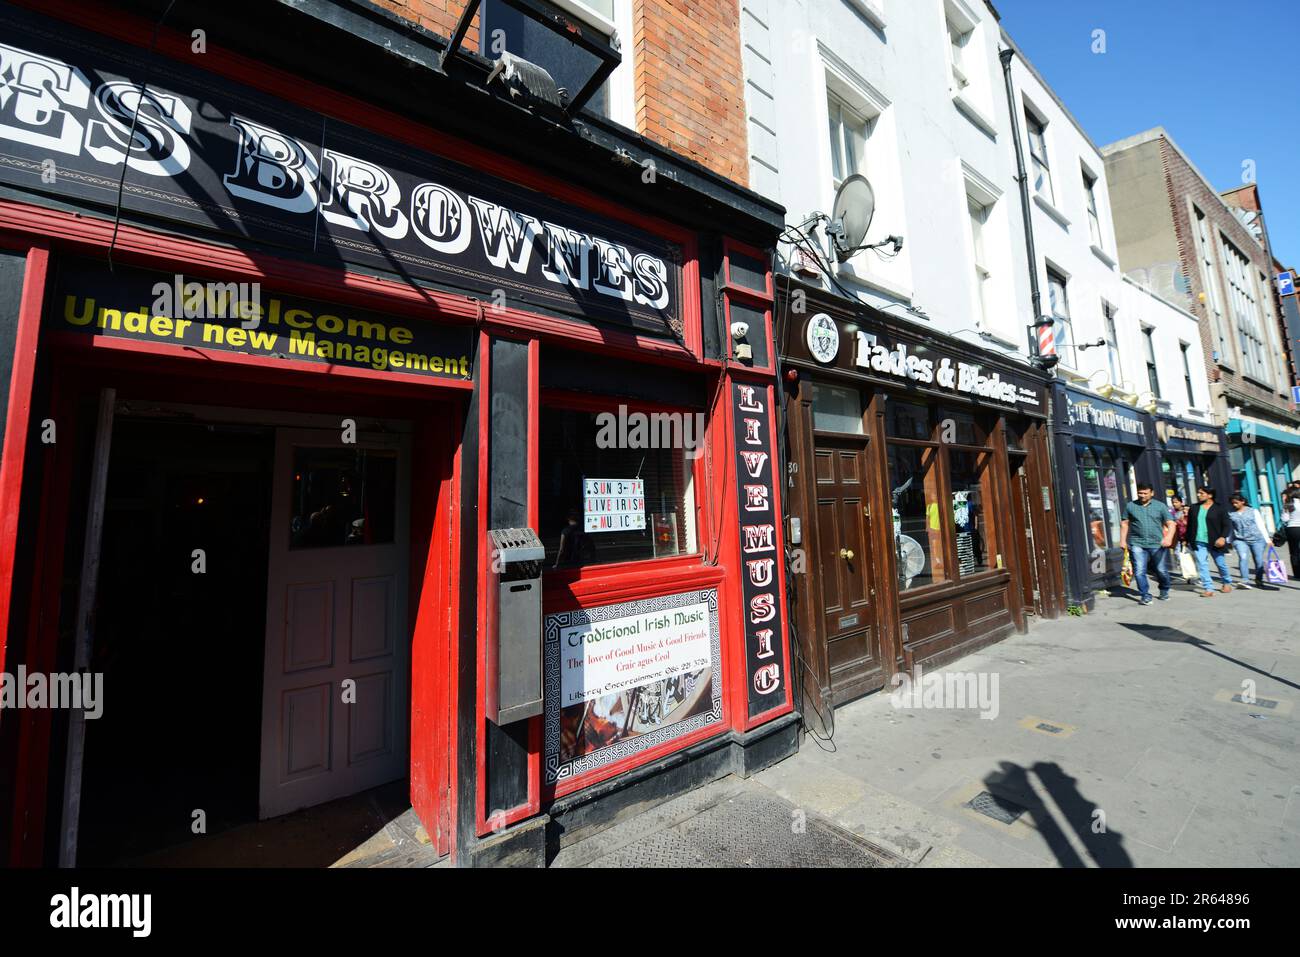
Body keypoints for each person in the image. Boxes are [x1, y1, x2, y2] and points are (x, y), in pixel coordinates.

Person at [1119, 482, 1175, 605]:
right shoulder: (1130, 506)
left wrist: (1169, 538)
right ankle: (1145, 595)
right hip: (1137, 543)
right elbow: (1124, 523)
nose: (1142, 495)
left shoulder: (1160, 506)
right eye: (1140, 493)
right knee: (1139, 571)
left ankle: (1164, 590)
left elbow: (1171, 523)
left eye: (1145, 493)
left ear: (1152, 493)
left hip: (1157, 543)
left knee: (1161, 570)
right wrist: (1122, 540)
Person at [1186, 486, 1233, 597]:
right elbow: (1190, 525)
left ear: (1210, 495)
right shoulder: (1194, 507)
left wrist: (1223, 537)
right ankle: (1208, 588)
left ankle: (1226, 582)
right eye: (1198, 493)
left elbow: (1227, 524)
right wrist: (1187, 539)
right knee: (1202, 564)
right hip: (1198, 541)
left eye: (1201, 493)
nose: (1198, 495)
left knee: (1220, 564)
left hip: (1215, 541)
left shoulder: (1219, 508)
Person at [1227, 493, 1268, 588]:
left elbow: (1260, 525)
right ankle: (1245, 581)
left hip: (1257, 539)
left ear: (1243, 501)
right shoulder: (1230, 513)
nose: (1234, 505)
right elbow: (1231, 528)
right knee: (1243, 558)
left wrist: (1267, 539)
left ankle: (1259, 579)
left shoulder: (1253, 511)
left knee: (1259, 561)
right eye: (1232, 503)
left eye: (1236, 503)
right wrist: (1229, 540)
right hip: (1240, 539)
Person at [1281, 491, 1300, 577]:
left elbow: (1285, 519)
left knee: (1294, 552)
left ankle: (1297, 573)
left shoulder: (1288, 505)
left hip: (1292, 529)